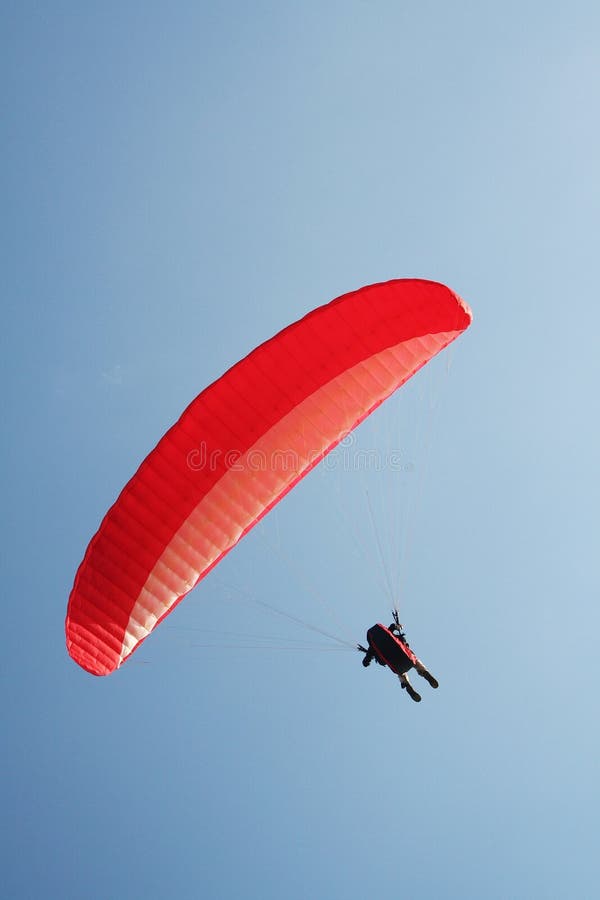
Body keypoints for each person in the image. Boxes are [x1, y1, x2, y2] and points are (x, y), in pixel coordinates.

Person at [360, 617, 439, 703]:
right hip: (406, 657)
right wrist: (399, 626)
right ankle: (424, 672)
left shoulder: (372, 648)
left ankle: (406, 684)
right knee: (415, 661)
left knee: (401, 673)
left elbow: (365, 662)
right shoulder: (388, 631)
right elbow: (394, 626)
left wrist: (367, 660)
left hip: (397, 666)